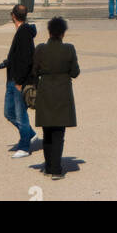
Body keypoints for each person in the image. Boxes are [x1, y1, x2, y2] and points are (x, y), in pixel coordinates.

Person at [32, 16, 79, 179]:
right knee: (59, 132)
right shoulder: (69, 49)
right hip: (62, 92)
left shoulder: (40, 49)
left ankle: (49, 165)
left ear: (49, 31)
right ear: (63, 33)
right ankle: (56, 168)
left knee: (47, 132)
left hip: (45, 91)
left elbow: (34, 71)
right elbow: (75, 72)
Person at [3, 4, 38, 158]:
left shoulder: (23, 33)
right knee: (9, 112)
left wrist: (19, 81)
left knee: (20, 113)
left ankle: (24, 146)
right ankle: (29, 134)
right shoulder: (24, 31)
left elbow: (26, 59)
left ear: (13, 16)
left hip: (18, 80)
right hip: (13, 77)